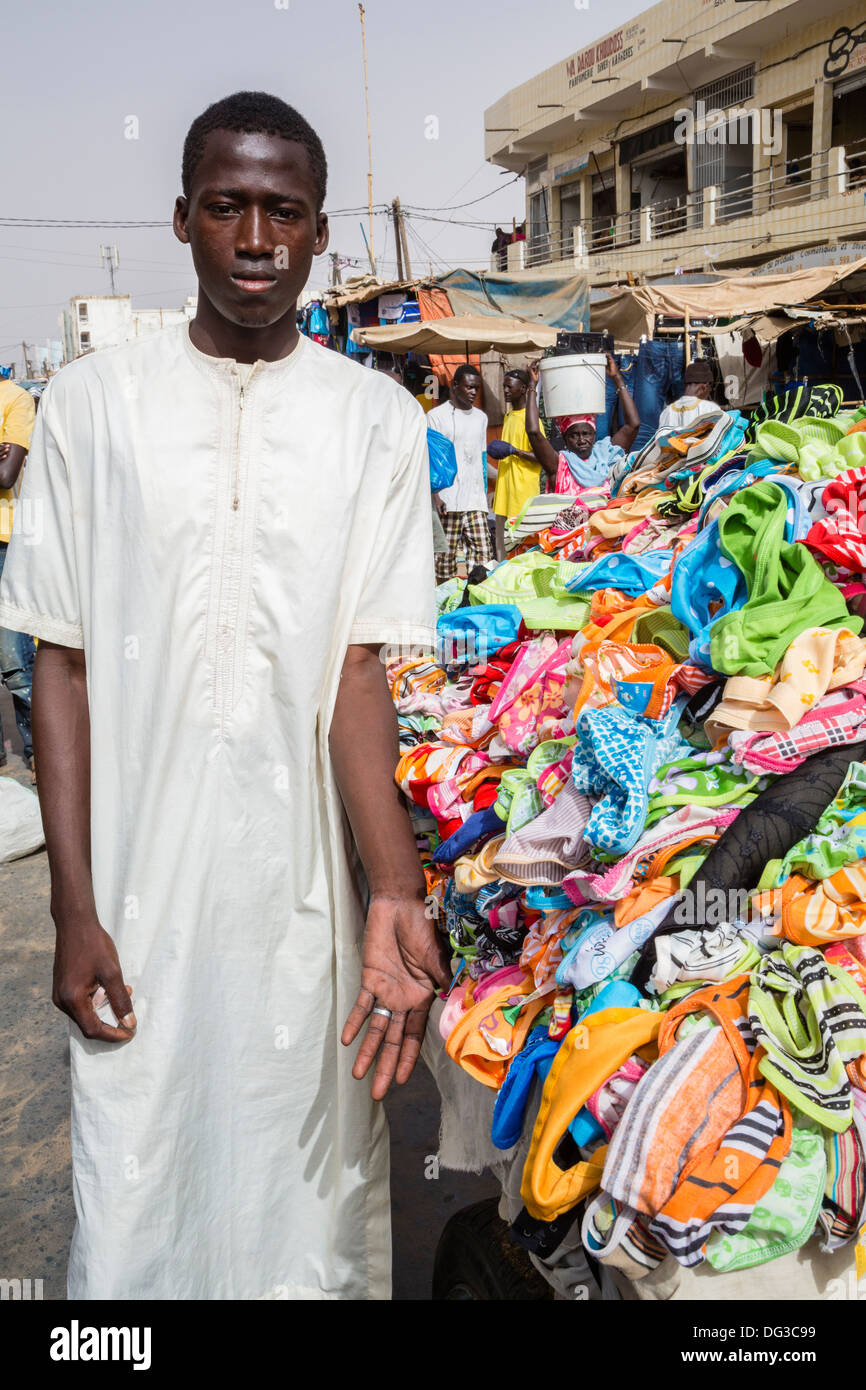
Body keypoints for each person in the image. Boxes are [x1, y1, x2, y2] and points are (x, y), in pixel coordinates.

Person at [0, 90, 448, 1301]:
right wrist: (74, 909)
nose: (256, 238)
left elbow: (355, 671)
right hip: (140, 896)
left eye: (284, 212)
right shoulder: (92, 409)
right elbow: (63, 661)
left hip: (298, 902)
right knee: (138, 1189)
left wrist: (391, 889)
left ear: (315, 233)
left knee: (303, 1203)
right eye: (228, 207)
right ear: (183, 218)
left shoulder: (375, 423)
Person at [524, 354, 640, 497]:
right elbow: (533, 431)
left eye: (586, 434)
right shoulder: (559, 464)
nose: (581, 440)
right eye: (574, 435)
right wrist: (532, 387)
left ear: (594, 434)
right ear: (565, 439)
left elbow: (633, 425)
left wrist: (617, 378)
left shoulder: (606, 456)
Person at [427, 363, 493, 584]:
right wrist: (435, 495)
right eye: (469, 387)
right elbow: (432, 460)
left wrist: (483, 494)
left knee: (483, 555)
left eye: (477, 388)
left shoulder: (481, 418)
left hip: (475, 500)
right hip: (447, 501)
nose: (474, 392)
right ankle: (446, 605)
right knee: (444, 561)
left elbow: (481, 459)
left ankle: (475, 599)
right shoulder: (436, 417)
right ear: (455, 386)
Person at [0, 377, 37, 768]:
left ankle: (38, 753)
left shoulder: (15, 398)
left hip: (4, 544)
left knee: (15, 664)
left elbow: (5, 476)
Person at [492, 367, 548, 560]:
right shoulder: (508, 416)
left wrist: (514, 451)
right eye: (503, 387)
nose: (505, 391)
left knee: (521, 552)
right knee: (502, 552)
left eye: (509, 387)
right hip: (504, 496)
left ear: (524, 388)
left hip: (523, 497)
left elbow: (543, 457)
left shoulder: (532, 420)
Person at [657, 357, 720, 431]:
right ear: (705, 387)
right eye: (710, 388)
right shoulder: (711, 408)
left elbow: (659, 440)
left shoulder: (667, 412)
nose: (710, 390)